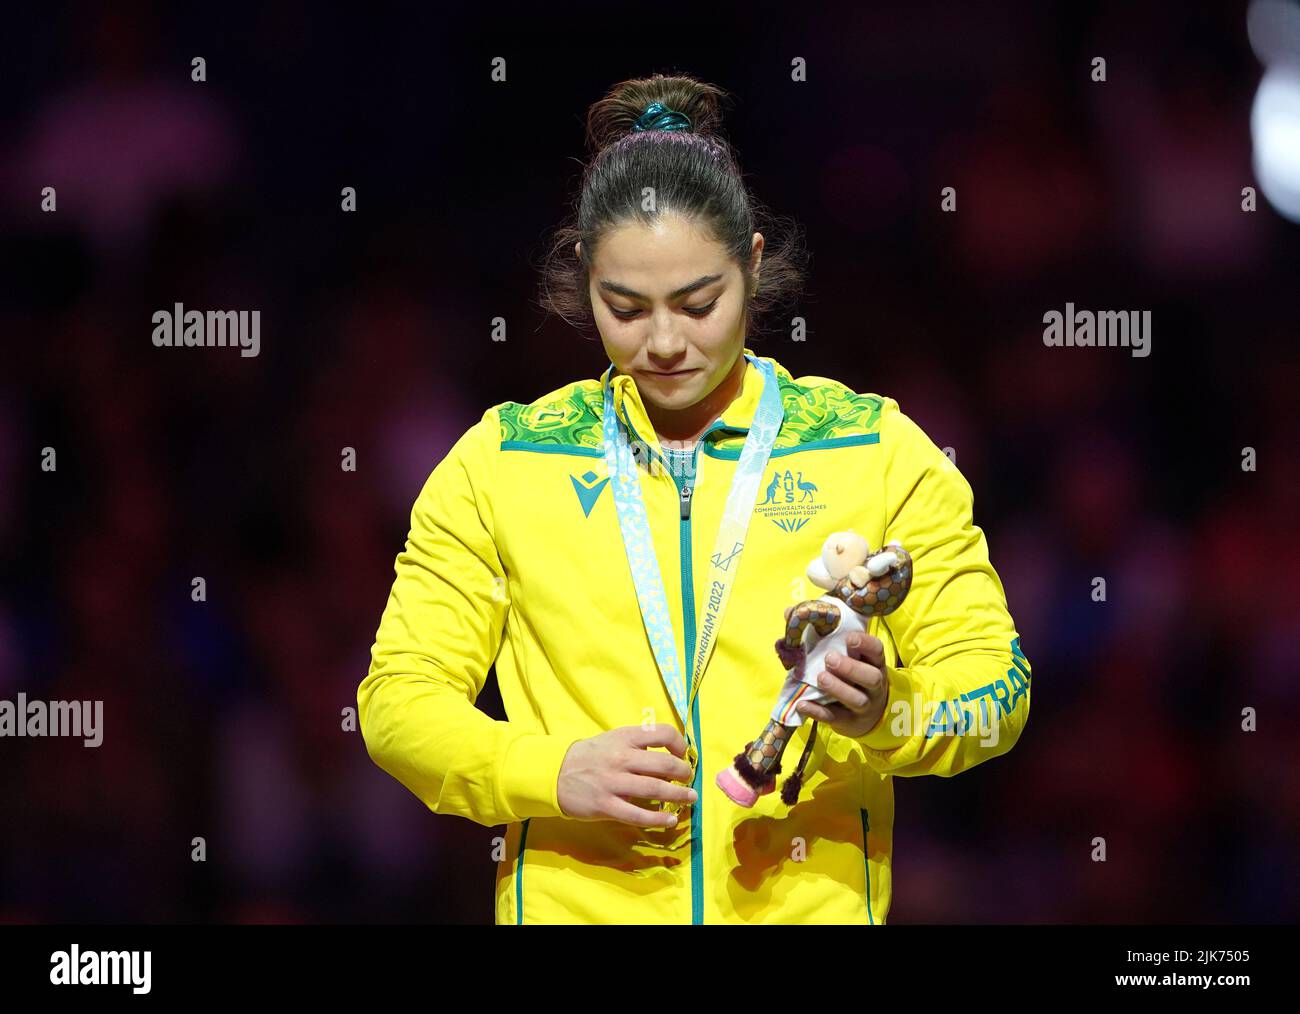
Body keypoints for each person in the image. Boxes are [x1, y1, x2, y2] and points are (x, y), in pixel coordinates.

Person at [357, 73, 1032, 925]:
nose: (666, 342)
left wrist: (887, 711)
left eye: (699, 302)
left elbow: (998, 691)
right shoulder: (502, 463)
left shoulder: (875, 450)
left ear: (751, 261)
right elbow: (394, 705)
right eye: (625, 307)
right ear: (582, 274)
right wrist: (549, 770)